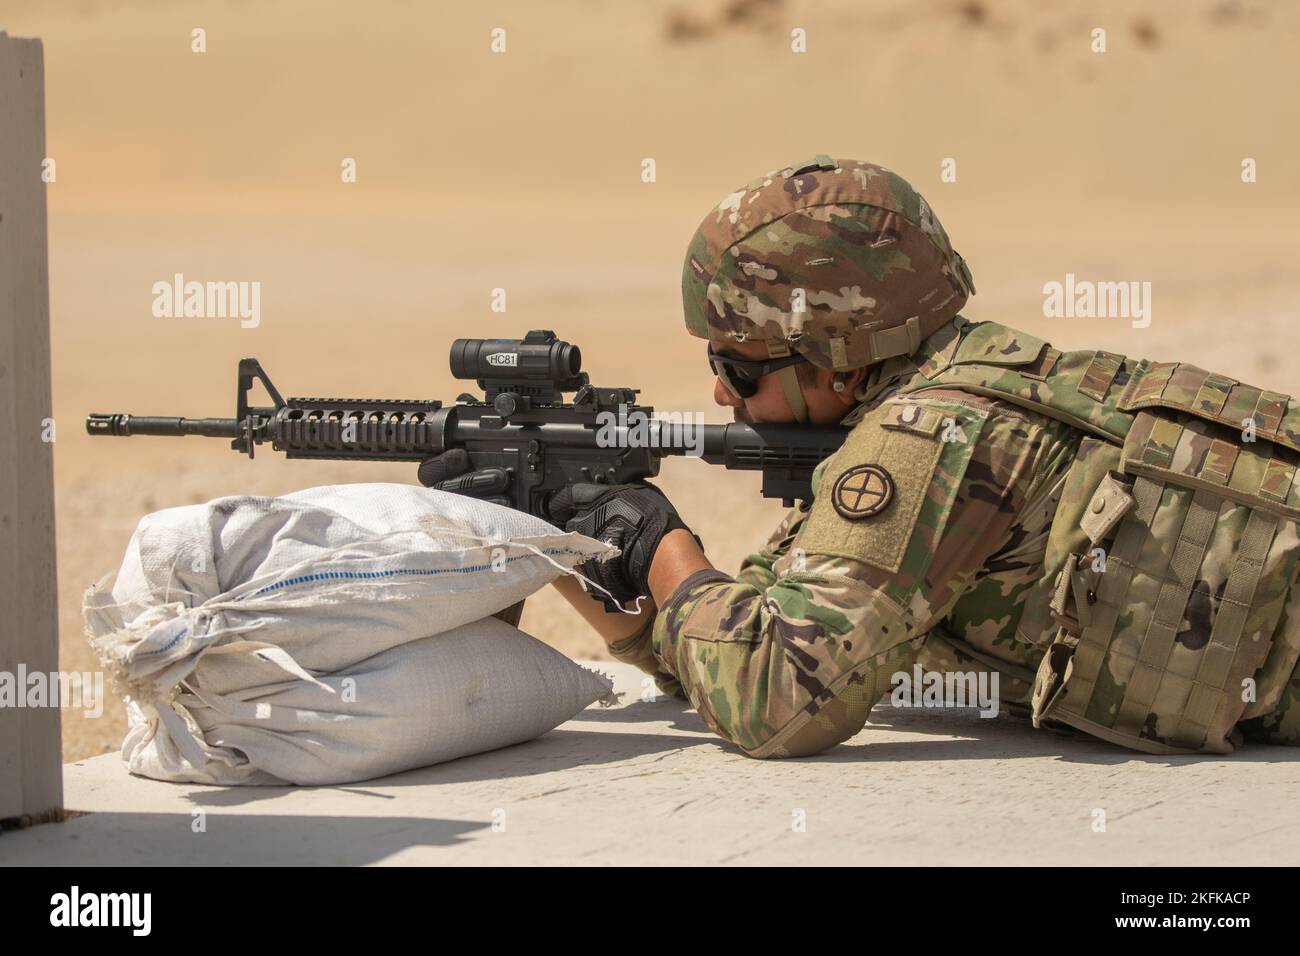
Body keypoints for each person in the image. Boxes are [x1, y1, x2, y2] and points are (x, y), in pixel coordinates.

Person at [431, 156, 1300, 758]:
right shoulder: (970, 373)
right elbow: (715, 647)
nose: (724, 398)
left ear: (840, 359)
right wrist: (561, 542)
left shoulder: (928, 440)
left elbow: (770, 698)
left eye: (738, 368)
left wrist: (662, 542)